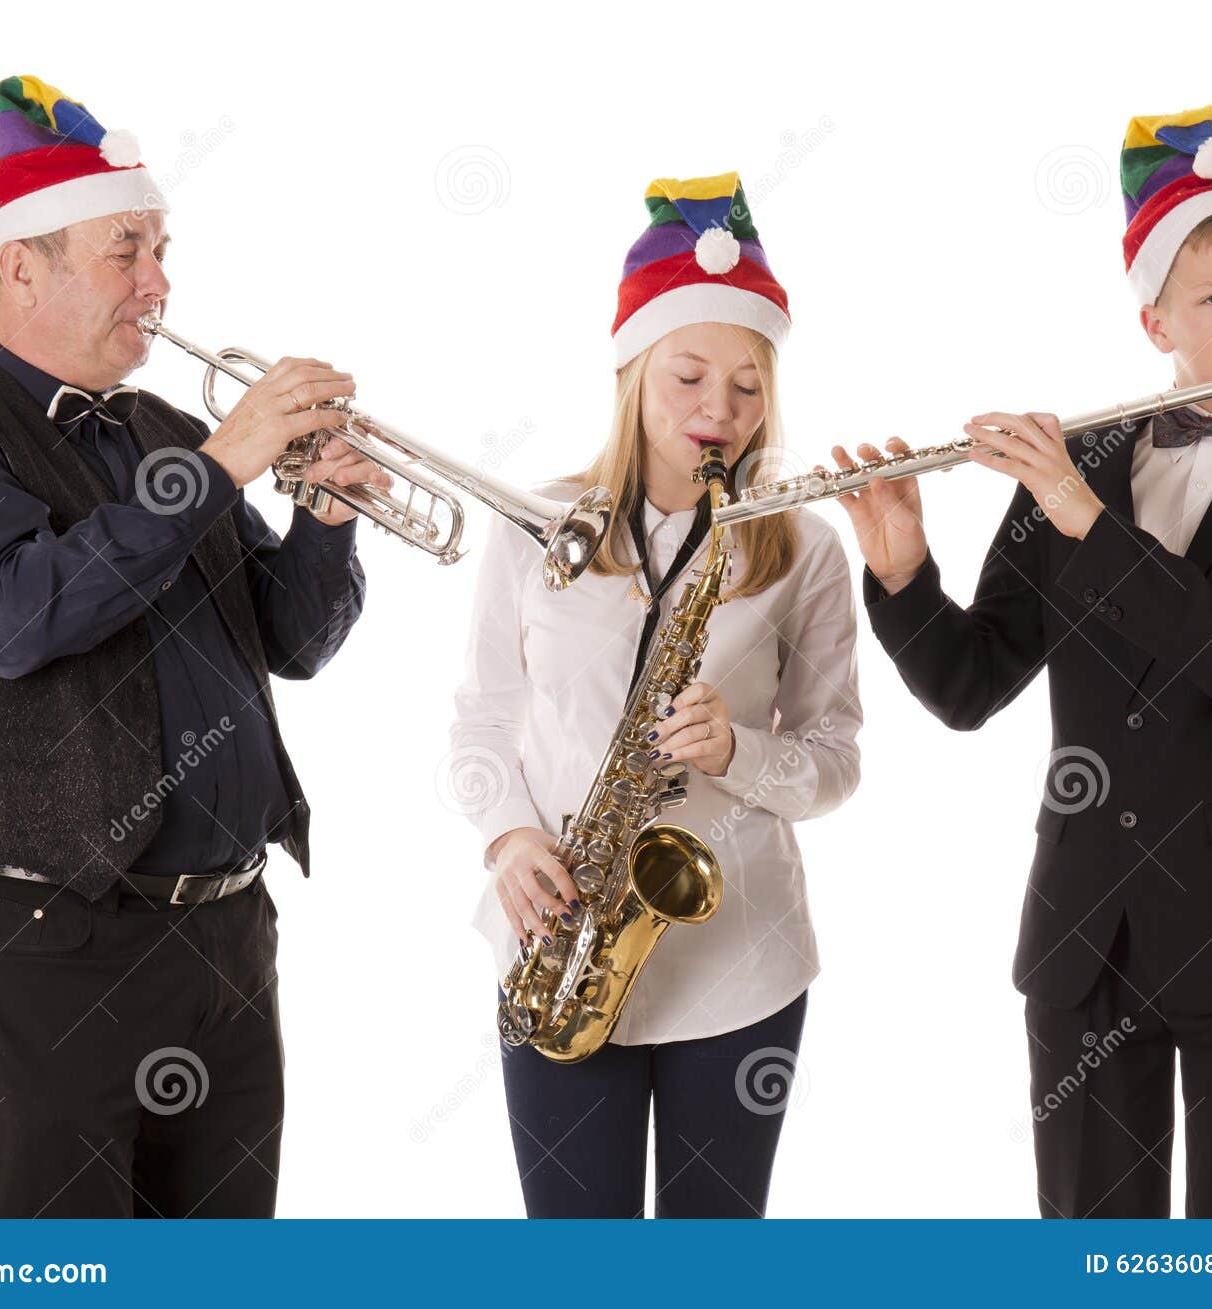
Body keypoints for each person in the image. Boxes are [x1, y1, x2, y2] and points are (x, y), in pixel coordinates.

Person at [0, 75, 390, 1217]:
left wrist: (327, 519)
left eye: (163, 248)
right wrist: (224, 463)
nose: (160, 282)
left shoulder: (161, 433)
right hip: (50, 938)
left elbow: (290, 639)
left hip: (228, 932)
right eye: (125, 250)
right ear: (22, 268)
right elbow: (19, 614)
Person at [836, 106, 1212, 1217]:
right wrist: (903, 571)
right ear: (1155, 323)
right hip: (1086, 928)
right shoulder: (1080, 464)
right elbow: (968, 685)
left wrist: (1082, 519)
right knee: (1089, 1259)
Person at [449, 172, 862, 1217]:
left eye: (746, 386)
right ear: (632, 370)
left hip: (739, 961)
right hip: (556, 941)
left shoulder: (803, 546)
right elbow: (484, 716)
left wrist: (739, 754)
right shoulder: (538, 523)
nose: (717, 414)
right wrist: (506, 836)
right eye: (687, 376)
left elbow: (835, 760)